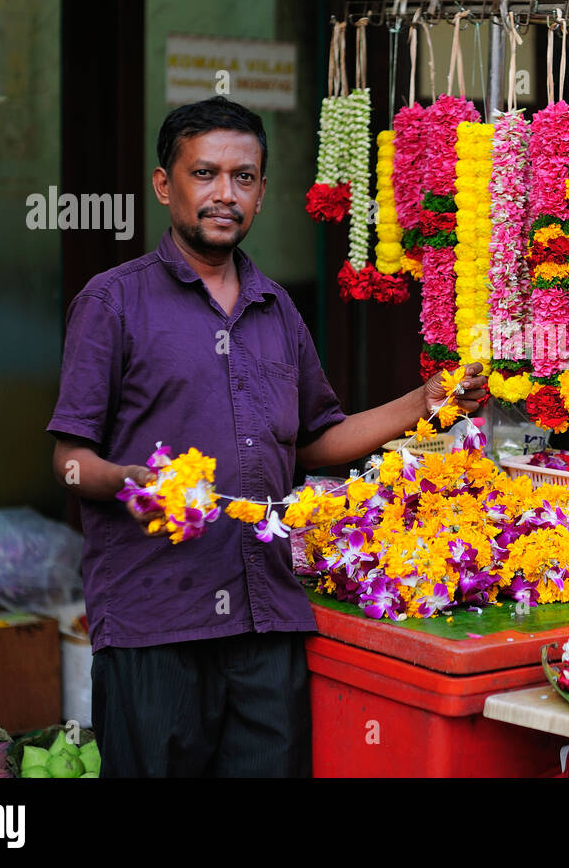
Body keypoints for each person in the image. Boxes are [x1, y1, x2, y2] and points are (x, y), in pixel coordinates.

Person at [47, 96, 486, 777]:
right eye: (206, 174)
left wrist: (422, 403)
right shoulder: (113, 302)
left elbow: (317, 441)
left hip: (266, 620)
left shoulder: (276, 308)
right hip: (157, 621)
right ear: (166, 185)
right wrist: (127, 480)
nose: (225, 194)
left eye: (244, 177)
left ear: (261, 191)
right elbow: (68, 460)